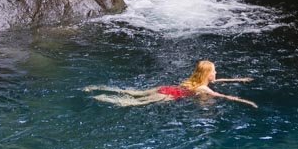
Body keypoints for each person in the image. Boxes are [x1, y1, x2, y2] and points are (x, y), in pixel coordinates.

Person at [86, 60, 257, 108]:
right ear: (207, 74)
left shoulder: (195, 80)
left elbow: (219, 81)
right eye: (214, 71)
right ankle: (103, 98)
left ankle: (99, 88)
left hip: (165, 88)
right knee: (134, 103)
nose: (216, 73)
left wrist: (239, 79)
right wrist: (247, 101)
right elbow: (223, 96)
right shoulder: (203, 87)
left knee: (134, 92)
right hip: (166, 96)